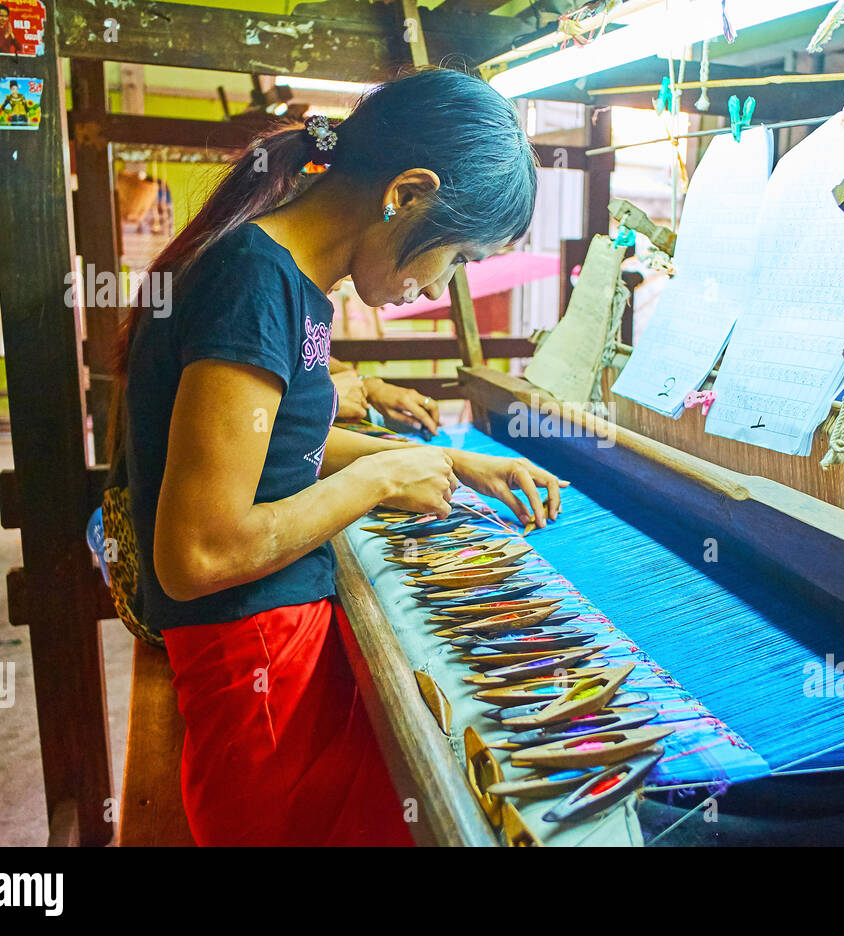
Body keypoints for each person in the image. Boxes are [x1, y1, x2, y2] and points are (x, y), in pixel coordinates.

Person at [119, 68, 564, 846]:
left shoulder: (296, 287)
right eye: (456, 256)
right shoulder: (252, 286)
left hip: (281, 653)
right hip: (253, 681)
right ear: (406, 194)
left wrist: (460, 467)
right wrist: (382, 475)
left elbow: (286, 444)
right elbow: (198, 552)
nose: (437, 287)